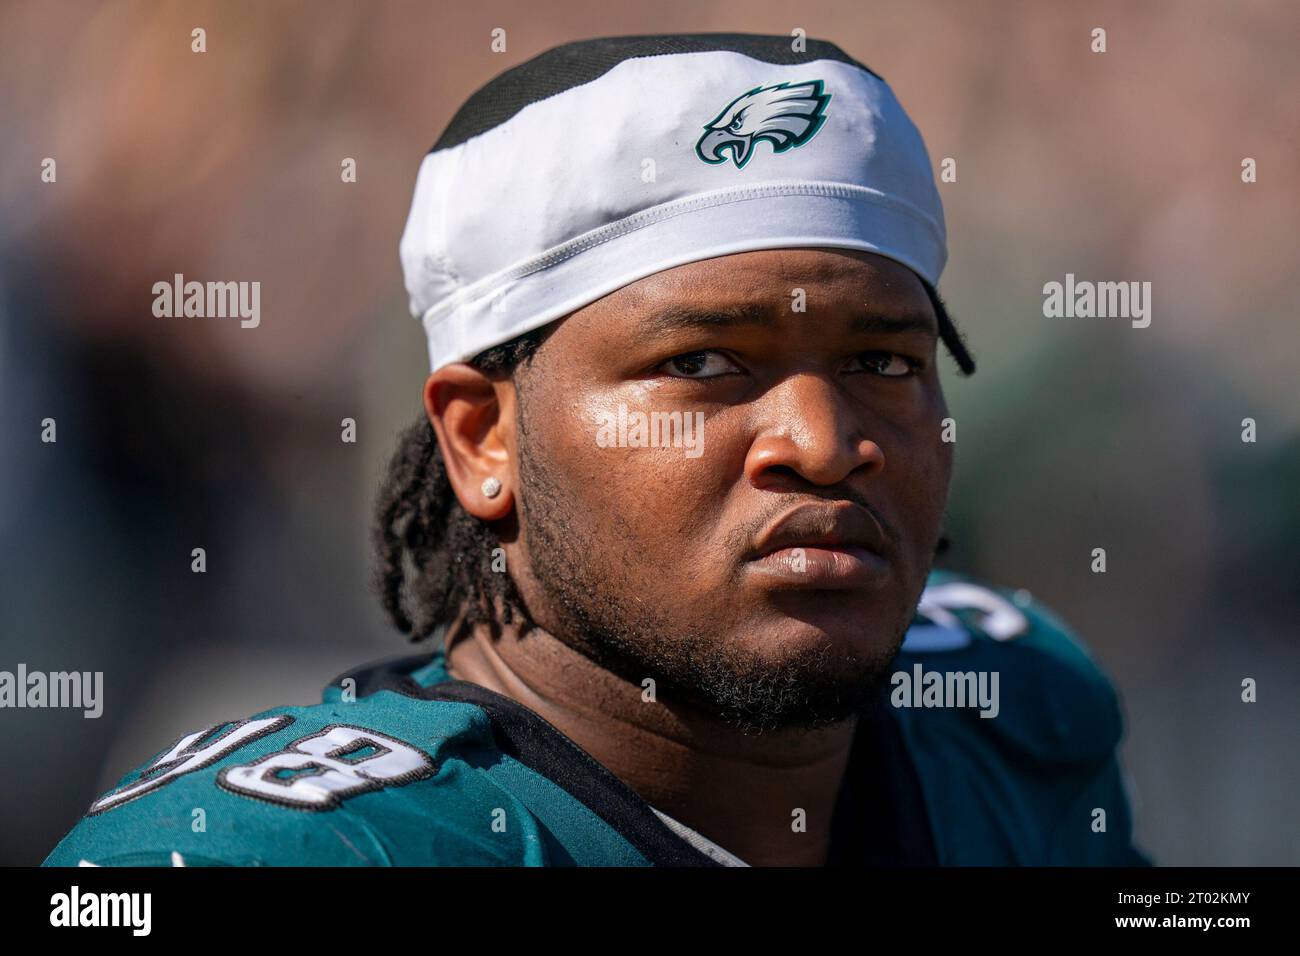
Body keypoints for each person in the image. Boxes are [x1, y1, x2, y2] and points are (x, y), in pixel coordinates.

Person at [45, 33, 1148, 867]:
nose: (823, 441)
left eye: (884, 360)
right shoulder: (275, 853)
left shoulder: (1003, 711)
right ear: (485, 437)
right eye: (706, 363)